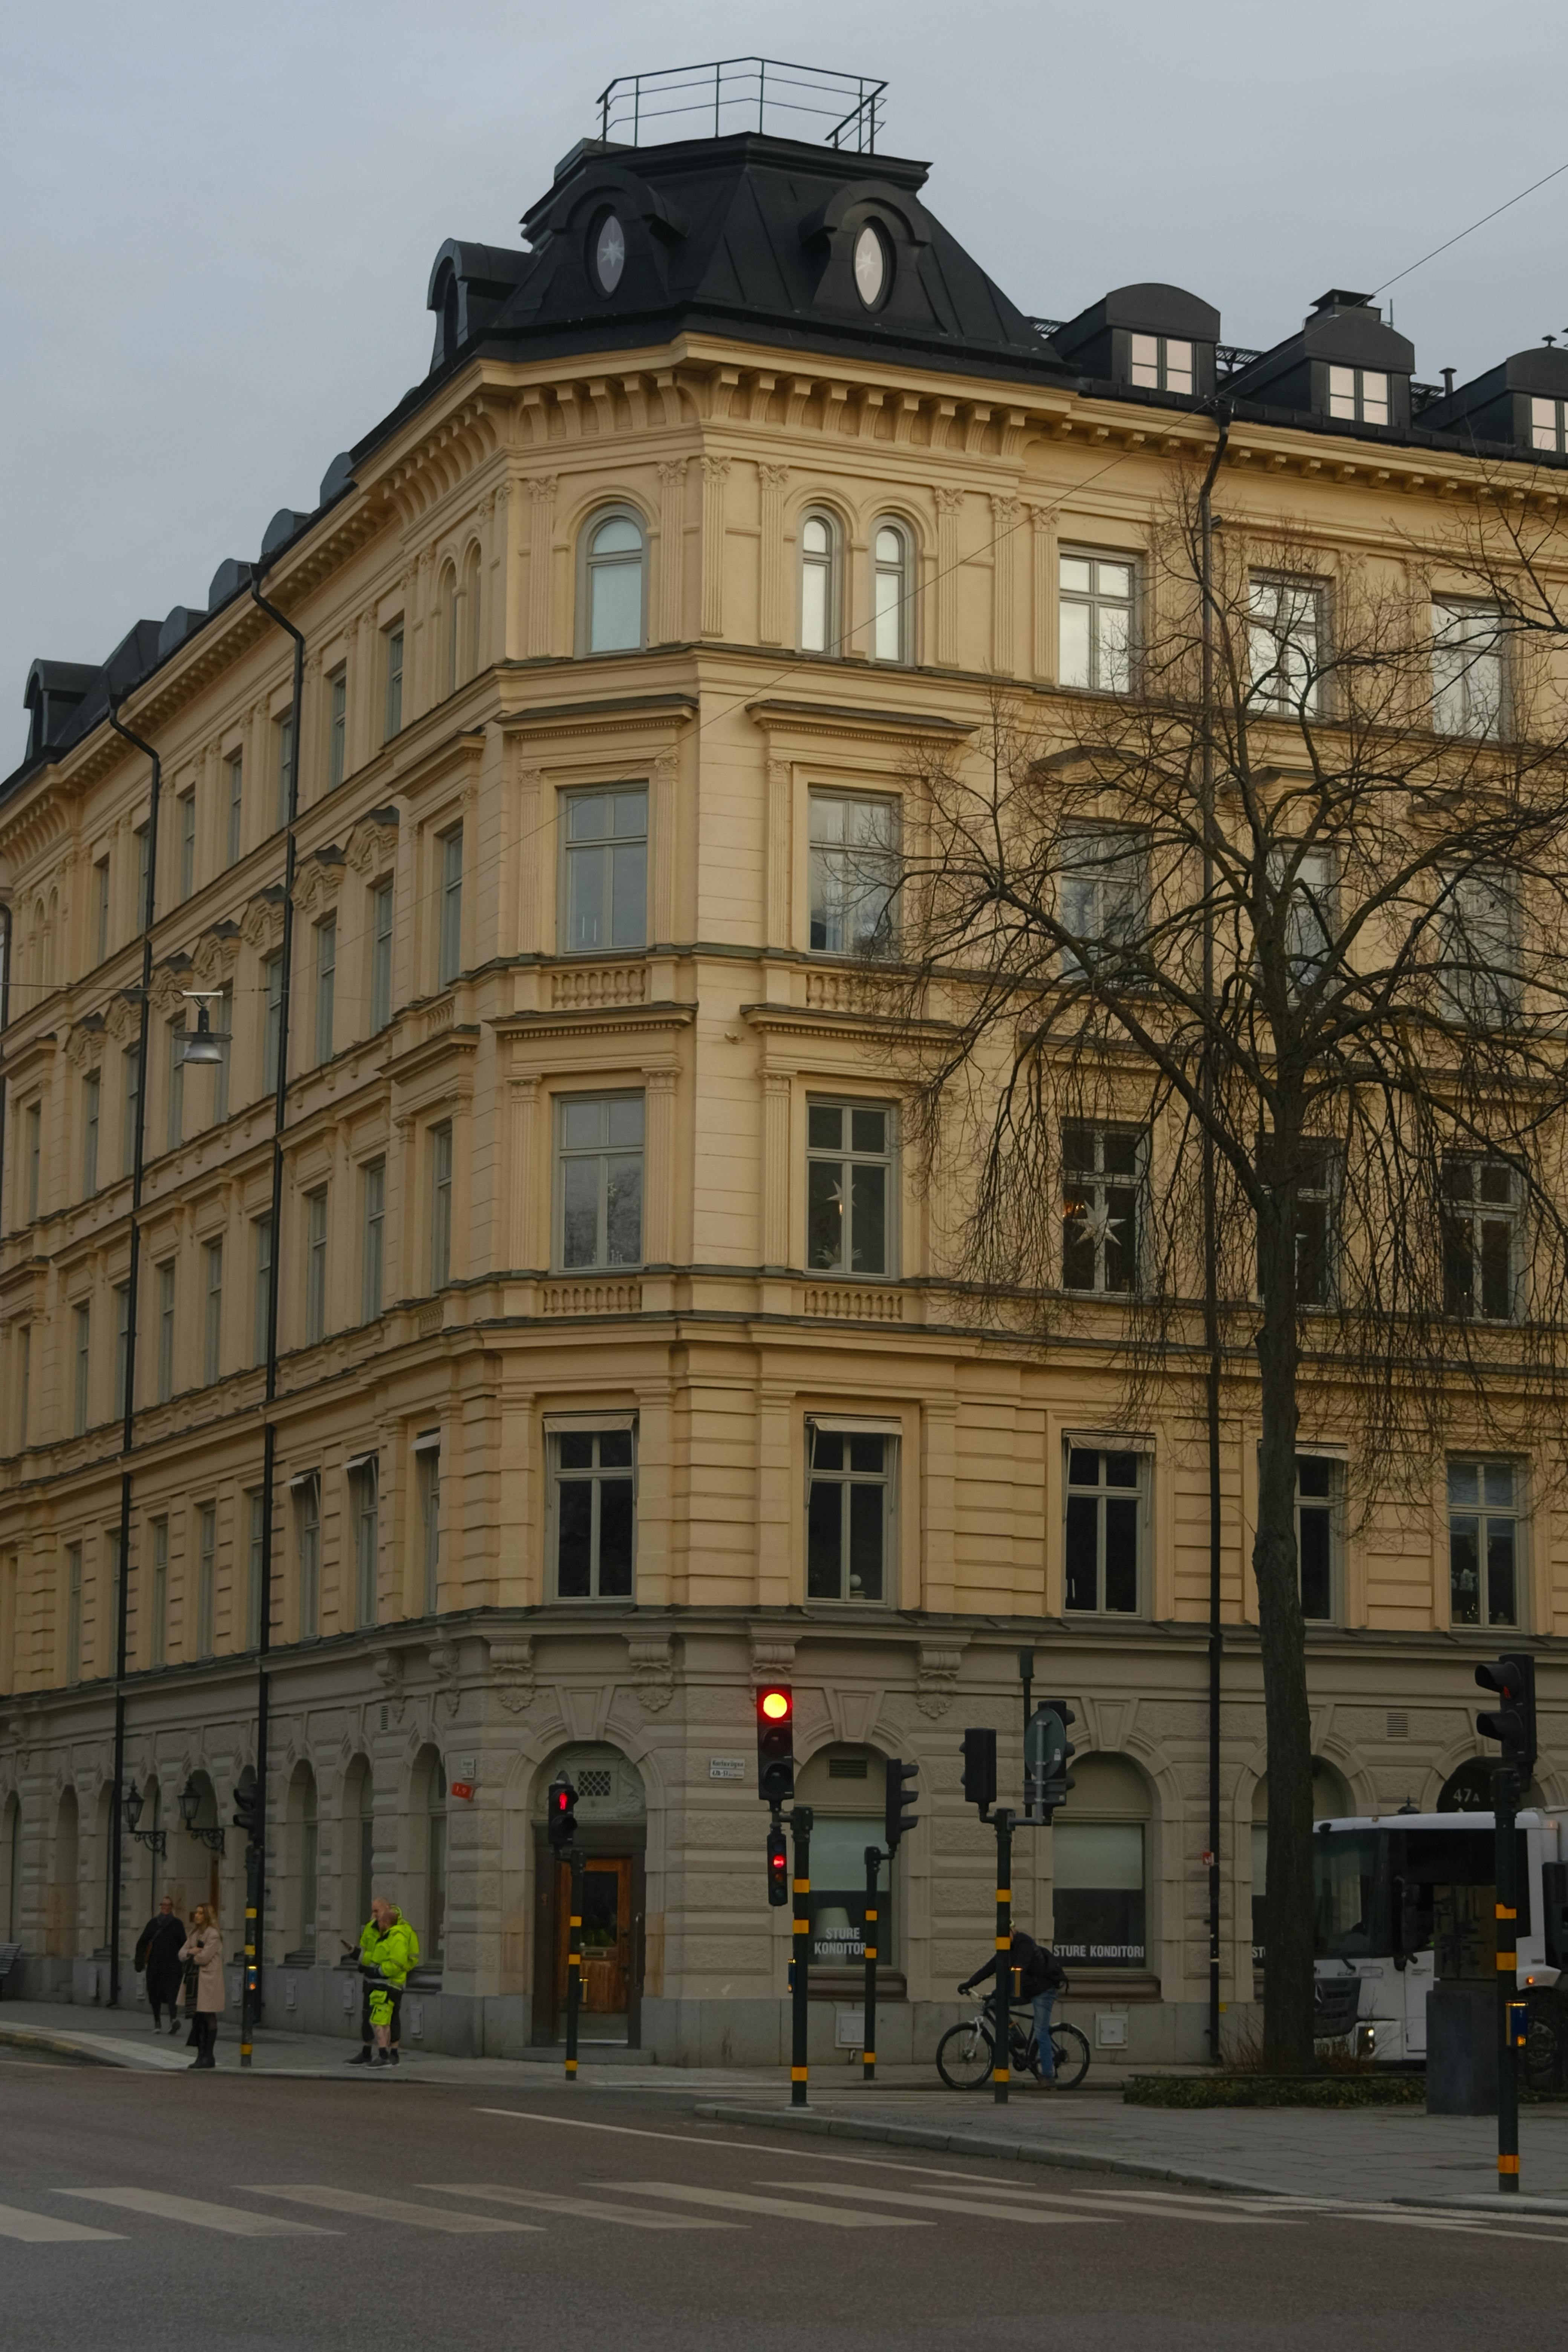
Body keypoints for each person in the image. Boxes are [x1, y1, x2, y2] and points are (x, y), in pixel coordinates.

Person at [959, 1928, 1067, 2083]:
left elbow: (1017, 1972)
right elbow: (989, 1969)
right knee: (995, 2004)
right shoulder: (1006, 1948)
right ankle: (1016, 2035)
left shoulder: (1024, 1944)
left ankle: (1048, 2077)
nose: (1003, 1938)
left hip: (1044, 1991)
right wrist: (969, 1984)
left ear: (1012, 1931)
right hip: (1030, 1989)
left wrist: (999, 1992)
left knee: (1041, 2032)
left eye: (1005, 1934)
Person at [346, 1896, 418, 2069]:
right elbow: (371, 1953)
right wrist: (359, 1958)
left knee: (389, 2019)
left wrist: (381, 1970)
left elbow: (402, 1960)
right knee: (368, 2017)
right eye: (373, 1911)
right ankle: (368, 2052)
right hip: (372, 1980)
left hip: (390, 1981)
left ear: (387, 1909)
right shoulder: (372, 1928)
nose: (374, 1915)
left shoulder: (400, 1931)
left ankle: (391, 2054)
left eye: (376, 1911)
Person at [178, 1904, 225, 2069]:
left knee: (208, 2015)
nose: (196, 1916)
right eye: (196, 1912)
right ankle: (201, 2056)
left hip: (209, 1982)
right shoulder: (194, 1933)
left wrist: (192, 1955)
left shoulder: (214, 1935)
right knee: (197, 2017)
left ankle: (209, 2056)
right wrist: (192, 1951)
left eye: (200, 1913)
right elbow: (181, 1953)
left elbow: (204, 1958)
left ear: (207, 1916)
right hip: (194, 1980)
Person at [133, 1894, 185, 2034]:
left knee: (172, 1994)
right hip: (155, 1966)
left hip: (173, 1967)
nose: (166, 1908)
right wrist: (139, 1962)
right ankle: (157, 2022)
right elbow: (142, 1942)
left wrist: (185, 1961)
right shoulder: (153, 1924)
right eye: (164, 1905)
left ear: (172, 1908)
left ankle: (173, 2021)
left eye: (169, 1905)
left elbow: (184, 1944)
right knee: (155, 1994)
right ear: (161, 1907)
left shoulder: (177, 1925)